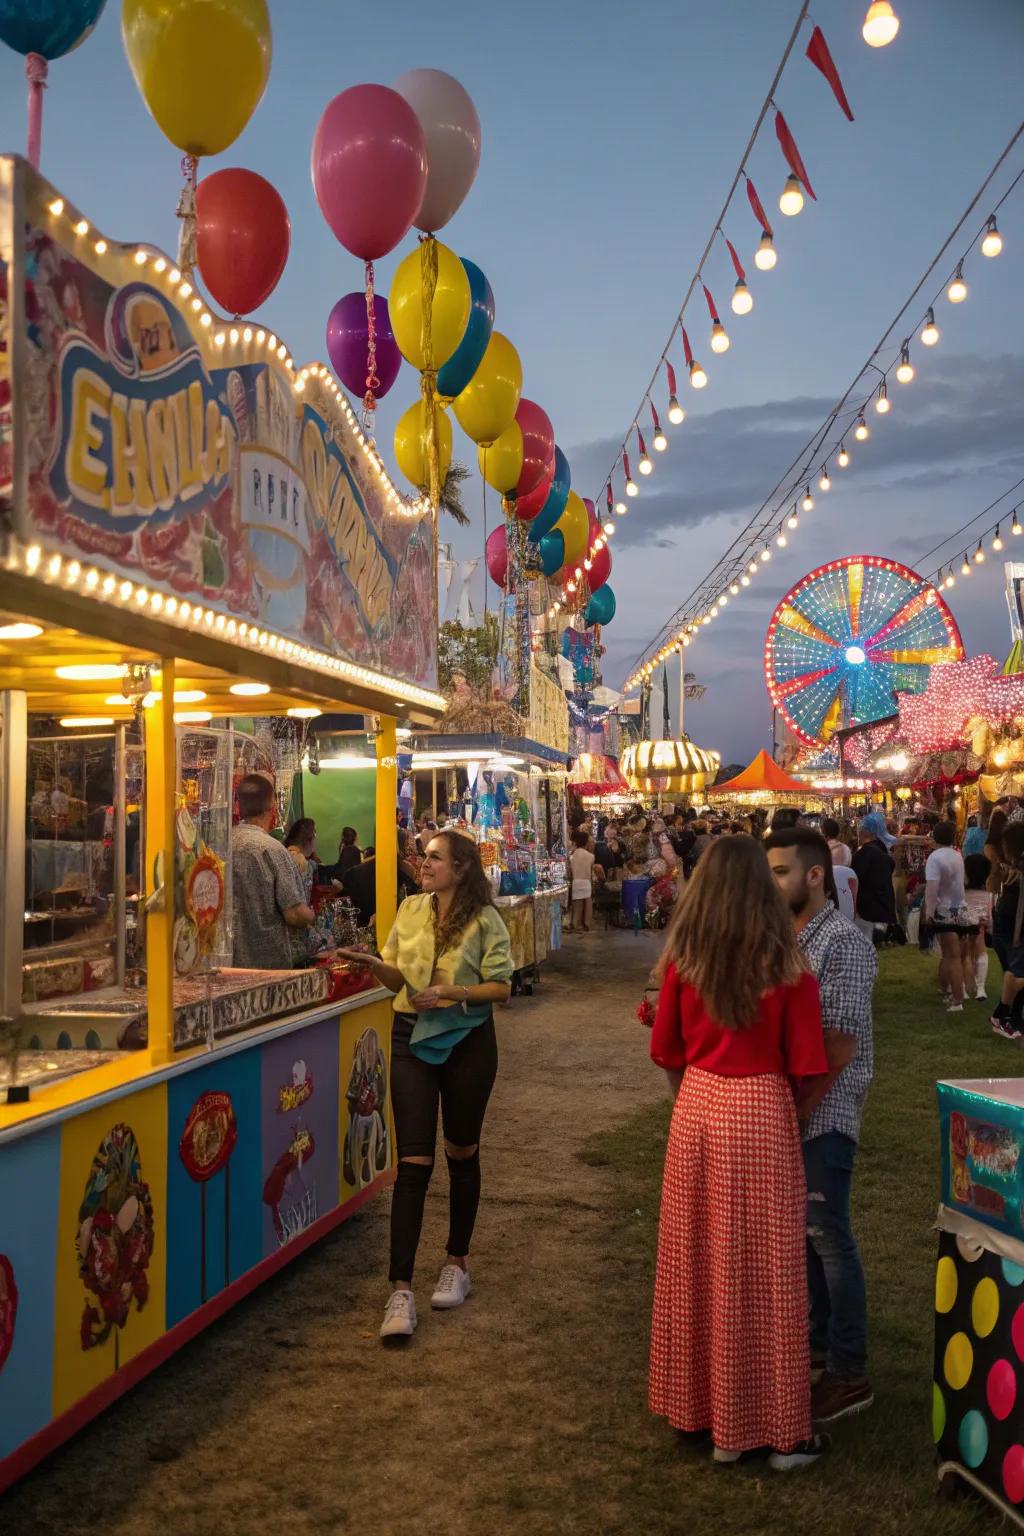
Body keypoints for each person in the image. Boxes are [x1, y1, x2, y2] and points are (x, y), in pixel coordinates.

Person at [648, 835, 830, 1471]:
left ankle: (701, 1411)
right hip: (762, 1108)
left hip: (698, 1106)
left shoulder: (684, 963)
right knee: (768, 1268)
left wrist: (693, 1097)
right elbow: (806, 1066)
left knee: (696, 1258)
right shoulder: (789, 968)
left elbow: (666, 1051)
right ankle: (774, 1428)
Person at [338, 831, 513, 1341]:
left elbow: (502, 987)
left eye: (435, 857)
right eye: (423, 855)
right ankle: (401, 1289)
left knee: (461, 1151)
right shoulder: (410, 909)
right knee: (412, 1163)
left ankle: (457, 1261)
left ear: (461, 867)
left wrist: (454, 992)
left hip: (468, 1044)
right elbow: (399, 980)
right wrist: (376, 967)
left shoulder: (485, 919)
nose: (424, 863)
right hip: (409, 1039)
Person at [766, 828, 877, 1425]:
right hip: (790, 1105)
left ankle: (848, 1370)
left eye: (780, 871)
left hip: (823, 1108)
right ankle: (817, 1343)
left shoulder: (842, 942)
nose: (771, 883)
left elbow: (838, 1045)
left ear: (814, 876)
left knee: (828, 1231)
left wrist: (797, 1108)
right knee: (803, 1231)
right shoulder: (785, 937)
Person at [231, 774, 314, 969]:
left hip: (227, 962)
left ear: (239, 807)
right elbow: (294, 914)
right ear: (272, 806)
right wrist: (313, 916)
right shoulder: (272, 850)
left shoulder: (222, 845)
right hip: (267, 965)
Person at [925, 821, 969, 1013]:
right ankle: (947, 991)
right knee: (950, 954)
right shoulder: (957, 855)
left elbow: (932, 889)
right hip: (960, 908)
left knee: (952, 956)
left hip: (944, 910)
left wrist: (929, 911)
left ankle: (957, 1000)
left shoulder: (935, 858)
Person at [991, 823, 1024, 1038]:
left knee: (1013, 971)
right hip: (1013, 925)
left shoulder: (1012, 866)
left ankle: (1008, 1016)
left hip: (1006, 921)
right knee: (1015, 971)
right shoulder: (1012, 867)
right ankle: (1003, 1016)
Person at [851, 812, 896, 943]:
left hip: (869, 911)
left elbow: (854, 879)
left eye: (861, 829)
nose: (859, 832)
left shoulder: (865, 853)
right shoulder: (882, 852)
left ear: (867, 832)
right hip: (884, 908)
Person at [962, 853, 993, 1003]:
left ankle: (963, 988)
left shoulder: (963, 892)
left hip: (963, 925)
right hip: (980, 925)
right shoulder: (988, 894)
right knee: (981, 951)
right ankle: (980, 988)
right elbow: (989, 915)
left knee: (964, 954)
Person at [569, 827, 596, 931]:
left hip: (576, 881)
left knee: (577, 905)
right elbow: (590, 872)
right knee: (588, 904)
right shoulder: (591, 856)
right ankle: (587, 923)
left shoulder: (572, 855)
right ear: (585, 843)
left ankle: (576, 924)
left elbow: (570, 871)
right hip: (586, 882)